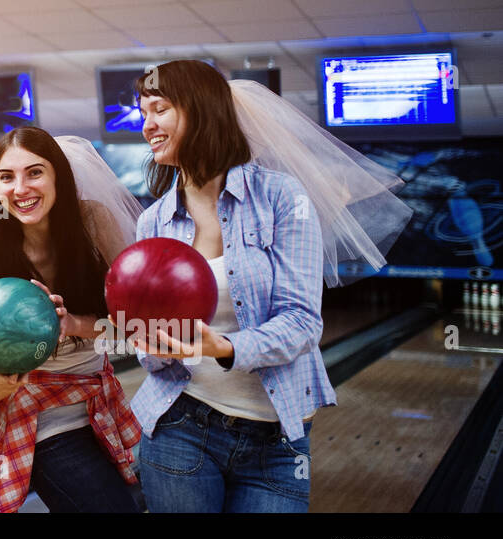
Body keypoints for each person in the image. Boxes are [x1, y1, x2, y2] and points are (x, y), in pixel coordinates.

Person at [128, 59, 410, 512]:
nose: (147, 125)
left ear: (200, 111)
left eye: (158, 109)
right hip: (180, 426)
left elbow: (301, 324)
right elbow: (149, 345)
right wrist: (153, 346)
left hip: (277, 438)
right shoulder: (152, 222)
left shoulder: (282, 198)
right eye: (143, 113)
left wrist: (224, 347)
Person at [0, 127, 143, 513]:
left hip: (103, 406)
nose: (21, 188)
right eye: (7, 177)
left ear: (58, 174)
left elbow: (135, 327)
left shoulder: (93, 224)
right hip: (44, 425)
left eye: (35, 172)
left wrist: (73, 324)